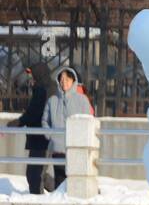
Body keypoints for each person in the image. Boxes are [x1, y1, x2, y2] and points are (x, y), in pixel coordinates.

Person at [41, 65, 92, 191]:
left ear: (73, 81)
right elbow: (45, 120)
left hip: (76, 148)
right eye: (61, 79)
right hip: (57, 148)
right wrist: (50, 136)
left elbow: (88, 122)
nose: (64, 82)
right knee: (59, 181)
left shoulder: (82, 100)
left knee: (75, 182)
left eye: (67, 80)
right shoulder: (52, 100)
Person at [15, 61, 54, 195]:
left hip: (43, 138)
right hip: (38, 138)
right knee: (37, 173)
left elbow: (35, 112)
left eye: (32, 75)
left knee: (34, 175)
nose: (30, 78)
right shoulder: (41, 87)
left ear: (39, 74)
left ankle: (39, 202)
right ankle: (60, 191)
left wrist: (19, 122)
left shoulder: (44, 89)